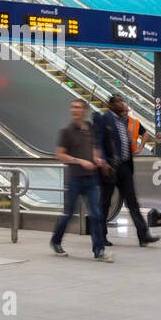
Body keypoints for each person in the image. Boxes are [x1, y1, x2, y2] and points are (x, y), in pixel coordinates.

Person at [94, 94, 161, 249]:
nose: (123, 104)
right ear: (111, 104)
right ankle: (100, 235)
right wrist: (103, 162)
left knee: (132, 202)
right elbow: (98, 143)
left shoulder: (123, 122)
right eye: (119, 101)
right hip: (110, 168)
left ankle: (143, 236)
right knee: (105, 203)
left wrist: (137, 150)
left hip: (124, 167)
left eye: (123, 101)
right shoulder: (104, 120)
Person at [51, 100, 109, 261]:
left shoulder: (90, 128)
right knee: (69, 214)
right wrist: (80, 161)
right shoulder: (66, 131)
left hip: (91, 179)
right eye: (73, 107)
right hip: (75, 179)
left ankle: (99, 251)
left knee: (96, 214)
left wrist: (97, 159)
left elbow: (95, 148)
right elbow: (60, 155)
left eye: (78, 107)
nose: (74, 110)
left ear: (85, 111)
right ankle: (56, 241)